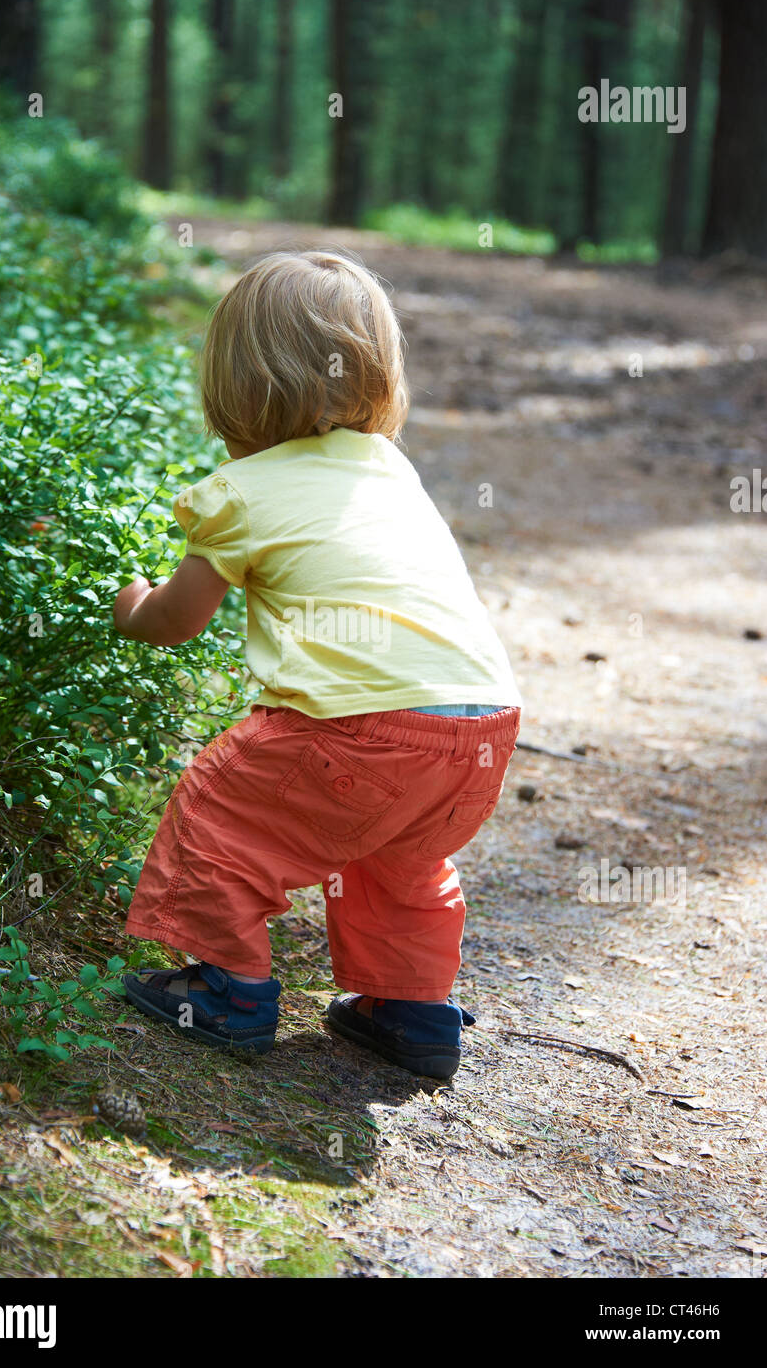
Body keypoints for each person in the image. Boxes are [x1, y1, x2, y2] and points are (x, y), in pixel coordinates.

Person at [113, 250, 521, 1079]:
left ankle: (226, 992)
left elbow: (171, 624)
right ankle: (410, 1013)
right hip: (481, 727)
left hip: (360, 725)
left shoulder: (239, 490)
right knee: (398, 856)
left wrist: (127, 599)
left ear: (235, 382)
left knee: (221, 816)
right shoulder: (390, 470)